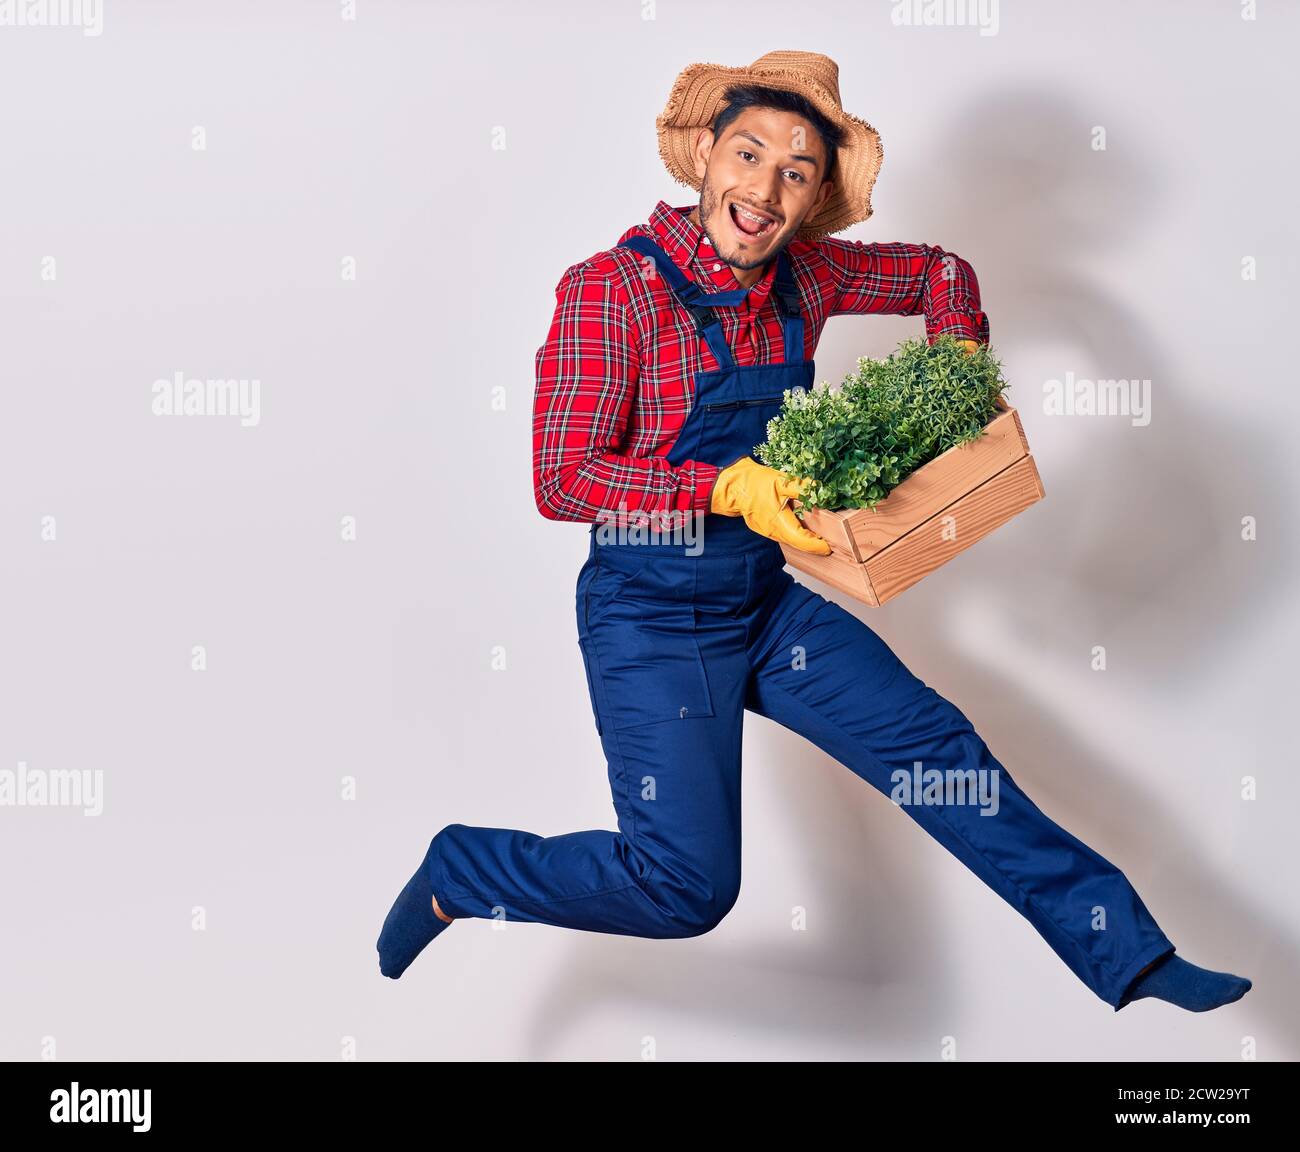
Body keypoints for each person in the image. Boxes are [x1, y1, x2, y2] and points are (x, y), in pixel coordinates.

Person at [378, 51, 1251, 1014]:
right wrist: (730, 486)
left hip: (766, 608)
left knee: (941, 756)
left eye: (796, 171)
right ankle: (463, 873)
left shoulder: (807, 275)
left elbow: (937, 272)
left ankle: (1128, 955)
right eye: (748, 154)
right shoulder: (611, 292)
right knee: (686, 889)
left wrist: (960, 370)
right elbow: (561, 476)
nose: (764, 188)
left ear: (814, 195)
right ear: (705, 155)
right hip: (651, 620)